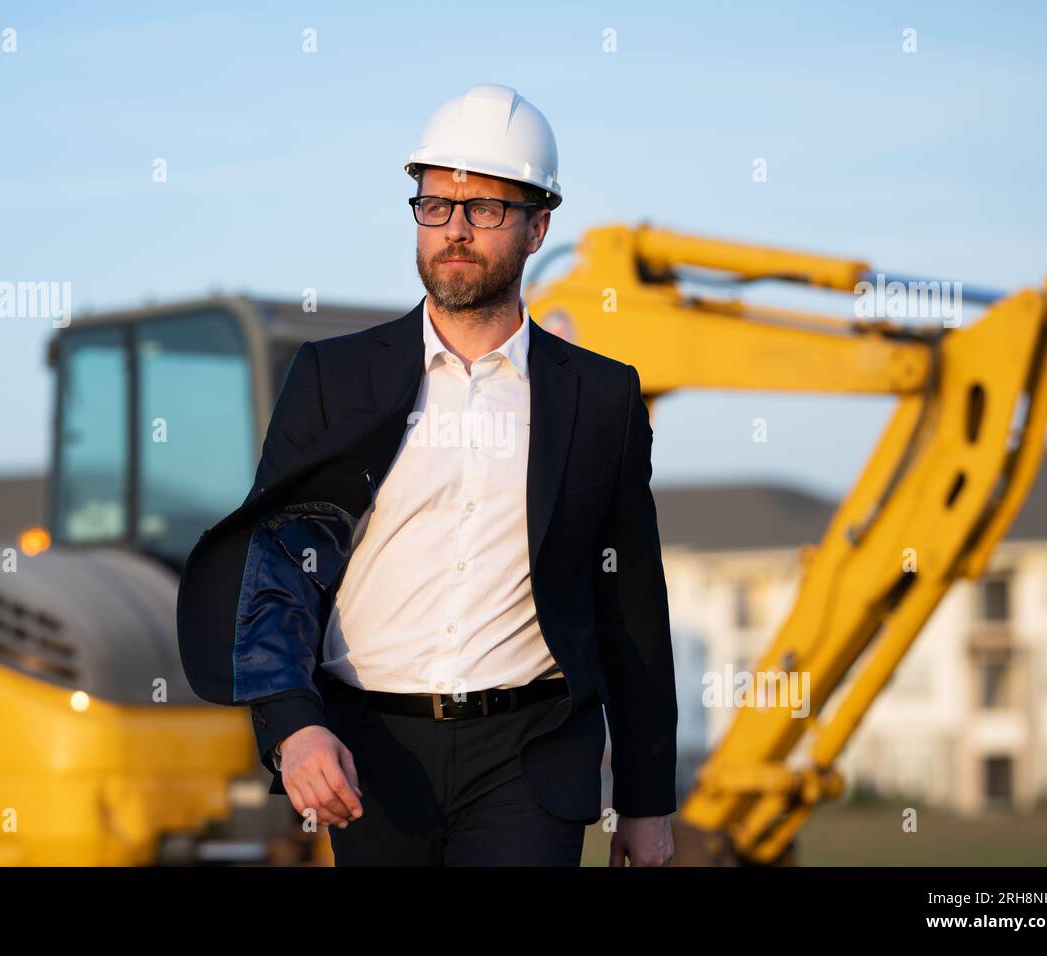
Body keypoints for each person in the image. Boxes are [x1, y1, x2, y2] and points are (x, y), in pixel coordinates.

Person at [177, 83, 676, 866]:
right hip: (371, 757)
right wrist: (292, 724)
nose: (454, 229)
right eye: (436, 204)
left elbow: (633, 610)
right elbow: (279, 573)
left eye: (483, 209)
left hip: (530, 756)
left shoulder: (601, 397)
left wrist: (647, 802)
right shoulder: (331, 379)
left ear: (539, 224)